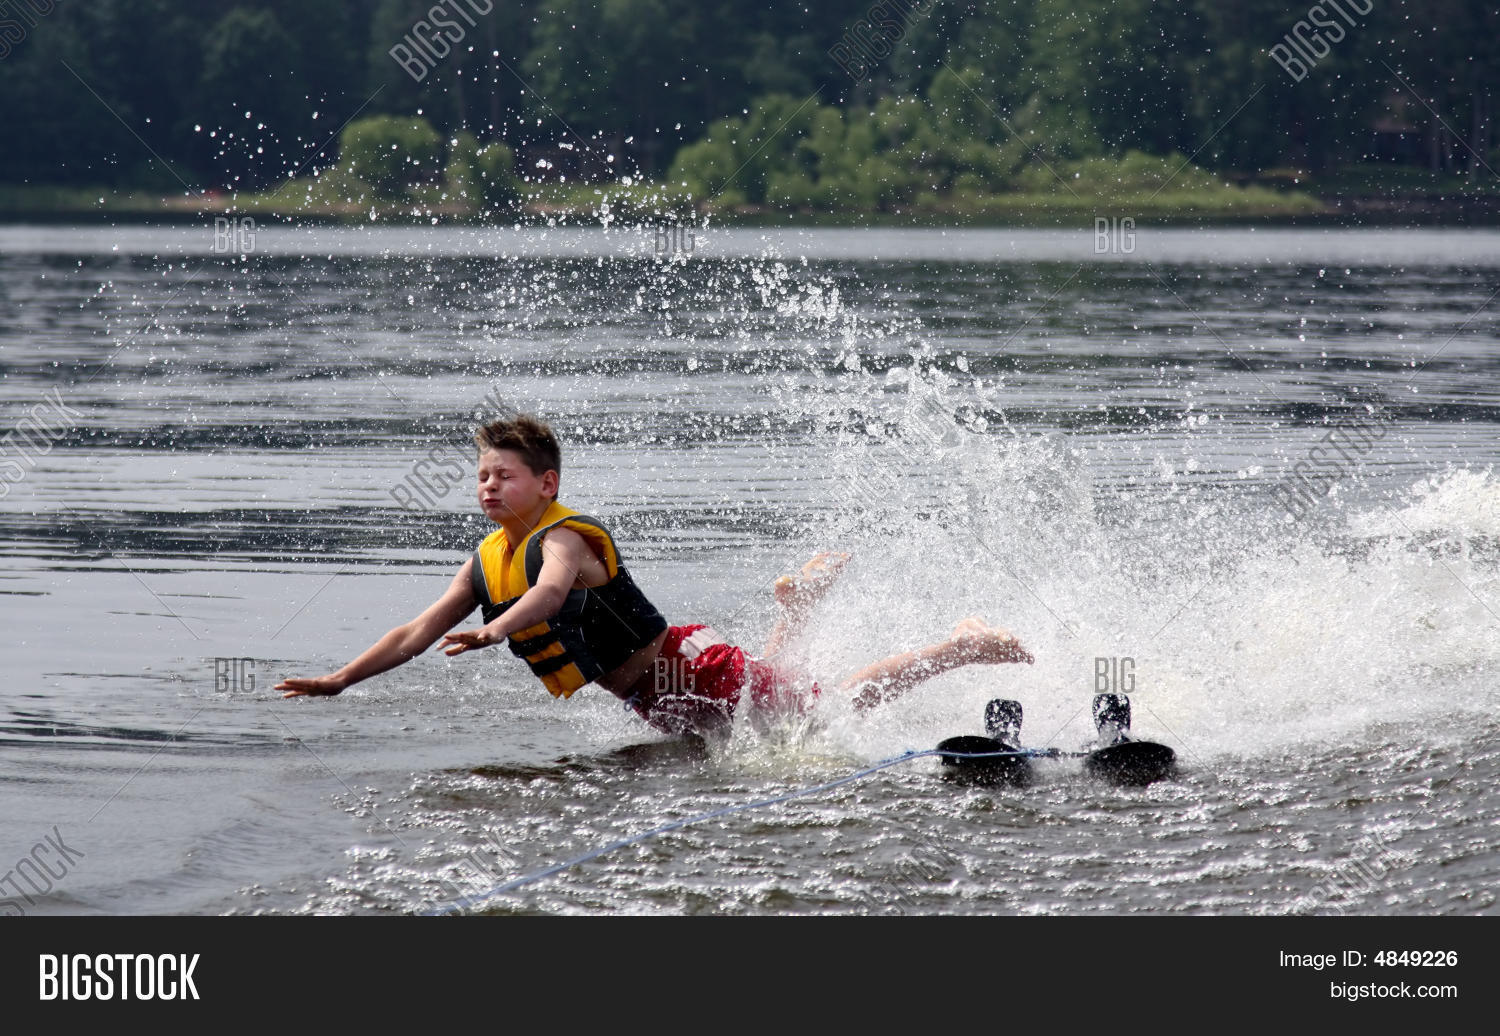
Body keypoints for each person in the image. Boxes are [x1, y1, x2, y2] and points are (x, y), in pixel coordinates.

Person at [275, 415, 1033, 735]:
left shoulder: (564, 539)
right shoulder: (484, 562)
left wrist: (494, 631)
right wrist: (341, 680)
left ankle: (961, 645)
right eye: (480, 476)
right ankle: (797, 605)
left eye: (504, 476)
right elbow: (414, 630)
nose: (487, 487)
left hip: (689, 668)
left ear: (547, 482)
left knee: (823, 715)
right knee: (777, 718)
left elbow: (546, 597)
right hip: (651, 699)